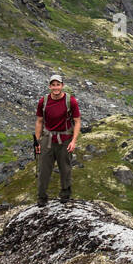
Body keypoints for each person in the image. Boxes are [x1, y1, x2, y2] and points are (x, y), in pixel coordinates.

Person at [35, 73, 80, 206]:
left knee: (65, 168)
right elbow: (39, 121)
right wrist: (36, 141)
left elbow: (77, 121)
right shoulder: (43, 101)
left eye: (58, 85)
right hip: (47, 139)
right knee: (43, 169)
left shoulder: (70, 101)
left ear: (62, 86)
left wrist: (73, 141)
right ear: (50, 86)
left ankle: (65, 195)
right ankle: (41, 197)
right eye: (53, 85)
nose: (55, 87)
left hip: (65, 139)